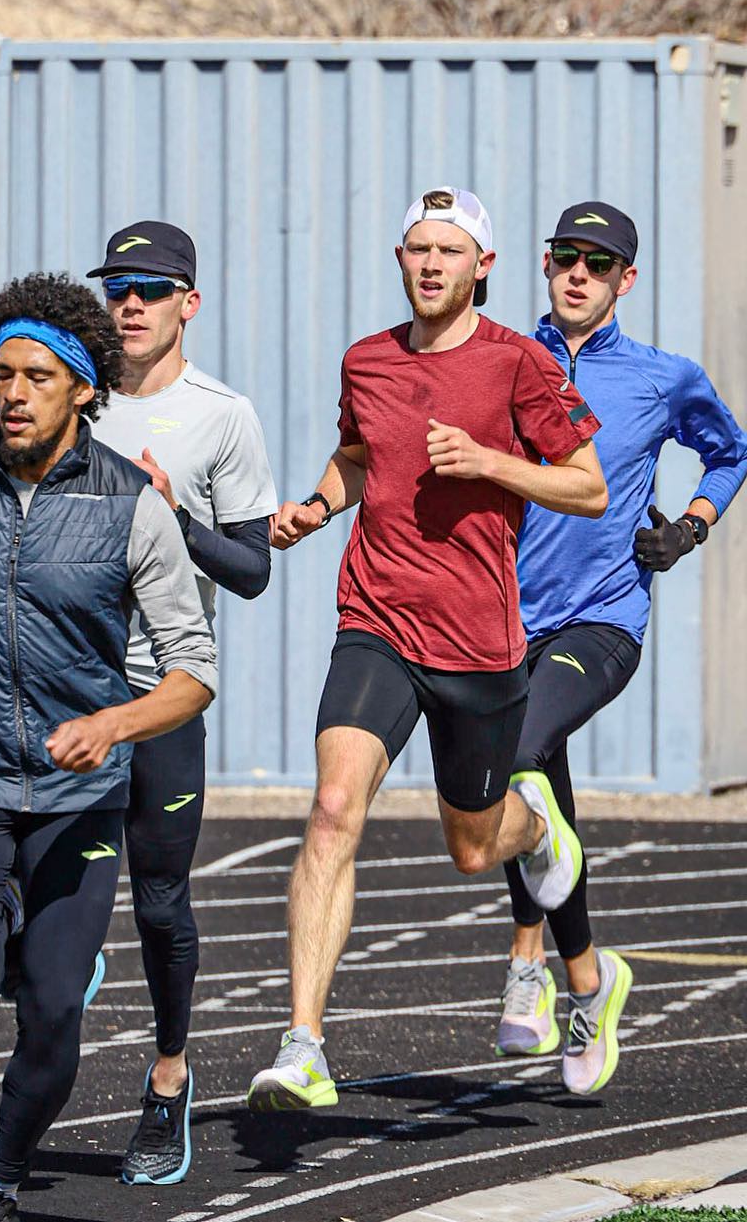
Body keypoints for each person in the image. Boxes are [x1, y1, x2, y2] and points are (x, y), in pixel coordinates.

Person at [0, 271, 218, 1222]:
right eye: (2, 374)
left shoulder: (132, 505)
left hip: (78, 796)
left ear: (83, 389)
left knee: (56, 1008)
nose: (14, 394)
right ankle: (12, 941)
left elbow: (193, 667)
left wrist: (112, 724)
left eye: (37, 378)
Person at [247, 187, 609, 1113]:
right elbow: (358, 453)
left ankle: (538, 827)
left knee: (471, 848)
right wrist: (316, 504)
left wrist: (489, 462)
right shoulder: (366, 359)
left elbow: (588, 487)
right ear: (400, 260)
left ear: (481, 266)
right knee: (332, 807)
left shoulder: (519, 363)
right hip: (375, 619)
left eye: (449, 250)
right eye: (418, 248)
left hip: (477, 642)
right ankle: (303, 1045)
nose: (431, 264)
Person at [492, 201, 747, 1095]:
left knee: (518, 755)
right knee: (537, 805)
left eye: (597, 262)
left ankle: (525, 959)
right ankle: (588, 982)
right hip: (501, 623)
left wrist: (688, 527)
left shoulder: (661, 377)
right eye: (565, 255)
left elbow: (729, 453)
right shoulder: (503, 360)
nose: (578, 272)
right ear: (544, 264)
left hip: (601, 621)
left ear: (624, 280)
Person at [84, 221, 278, 1184]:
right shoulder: (67, 396)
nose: (130, 303)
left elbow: (251, 569)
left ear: (186, 304)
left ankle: (168, 1079)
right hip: (63, 687)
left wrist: (174, 516)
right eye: (117, 286)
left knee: (159, 903)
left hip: (161, 689)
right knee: (25, 873)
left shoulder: (221, 416)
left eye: (150, 288)